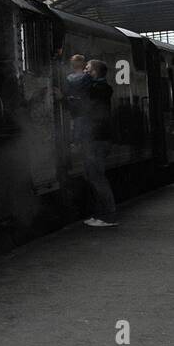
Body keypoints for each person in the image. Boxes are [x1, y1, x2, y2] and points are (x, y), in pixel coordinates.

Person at [80, 59, 117, 228]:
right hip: (96, 138)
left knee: (97, 177)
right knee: (92, 176)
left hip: (97, 138)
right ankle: (99, 214)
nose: (84, 71)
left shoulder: (100, 89)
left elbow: (84, 106)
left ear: (94, 71)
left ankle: (108, 216)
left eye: (87, 69)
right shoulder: (99, 88)